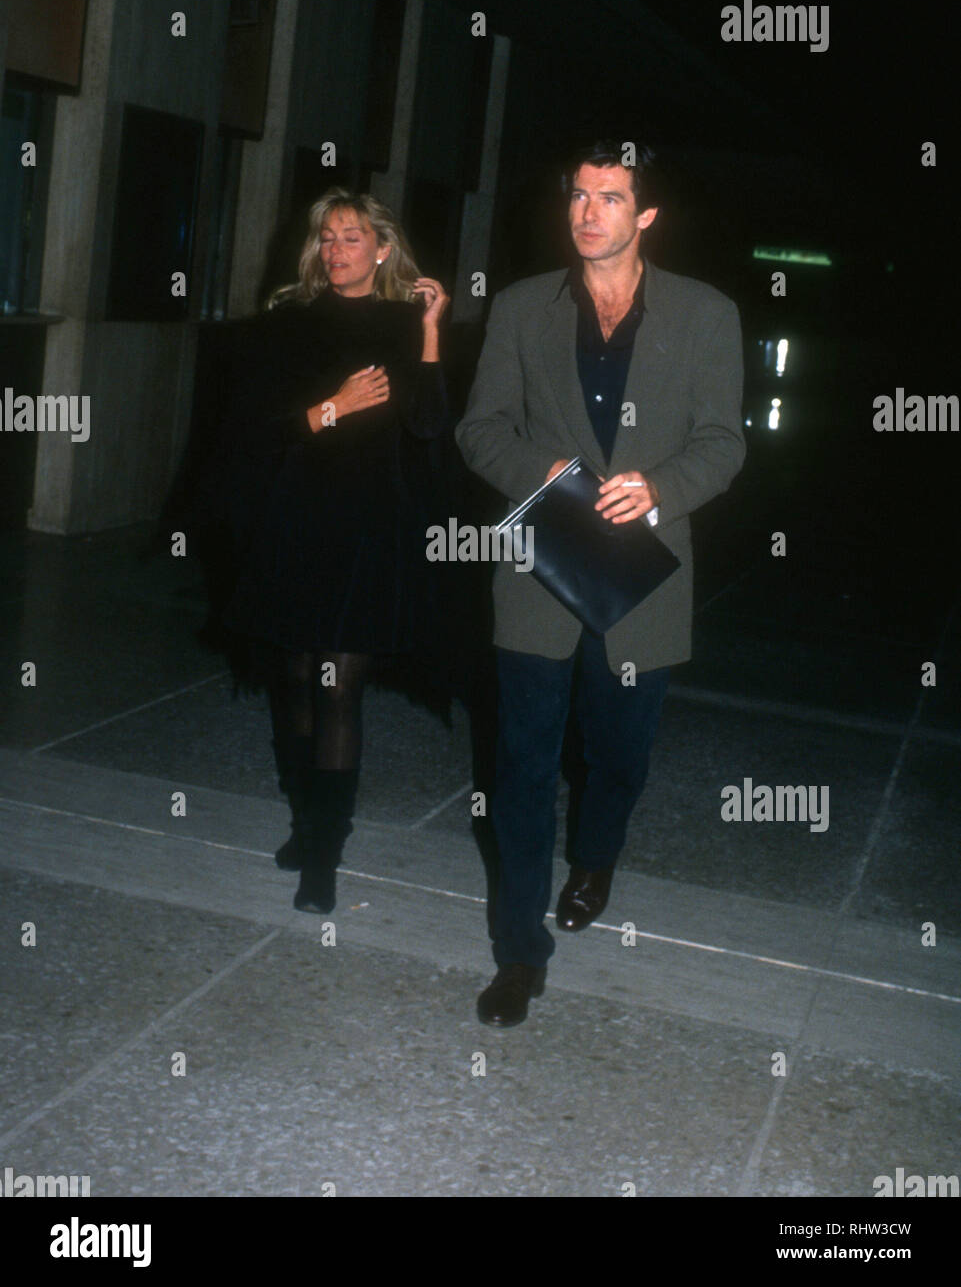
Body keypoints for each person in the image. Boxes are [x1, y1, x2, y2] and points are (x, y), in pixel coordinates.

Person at [456, 139, 745, 1026]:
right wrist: (539, 471)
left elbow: (723, 441)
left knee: (617, 756)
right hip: (539, 568)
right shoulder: (519, 307)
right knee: (520, 763)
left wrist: (660, 488)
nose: (587, 213)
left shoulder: (704, 313)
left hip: (643, 576)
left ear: (645, 214)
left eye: (609, 198)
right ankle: (519, 954)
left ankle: (597, 854)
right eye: (577, 196)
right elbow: (477, 430)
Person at [214, 187, 449, 914]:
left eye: (352, 238)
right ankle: (304, 819)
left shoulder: (403, 322)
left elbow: (430, 425)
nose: (337, 250)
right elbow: (254, 430)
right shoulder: (291, 322)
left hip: (368, 527)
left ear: (382, 249)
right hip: (295, 518)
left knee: (336, 684)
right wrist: (332, 408)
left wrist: (433, 327)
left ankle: (325, 855)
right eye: (328, 238)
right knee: (293, 684)